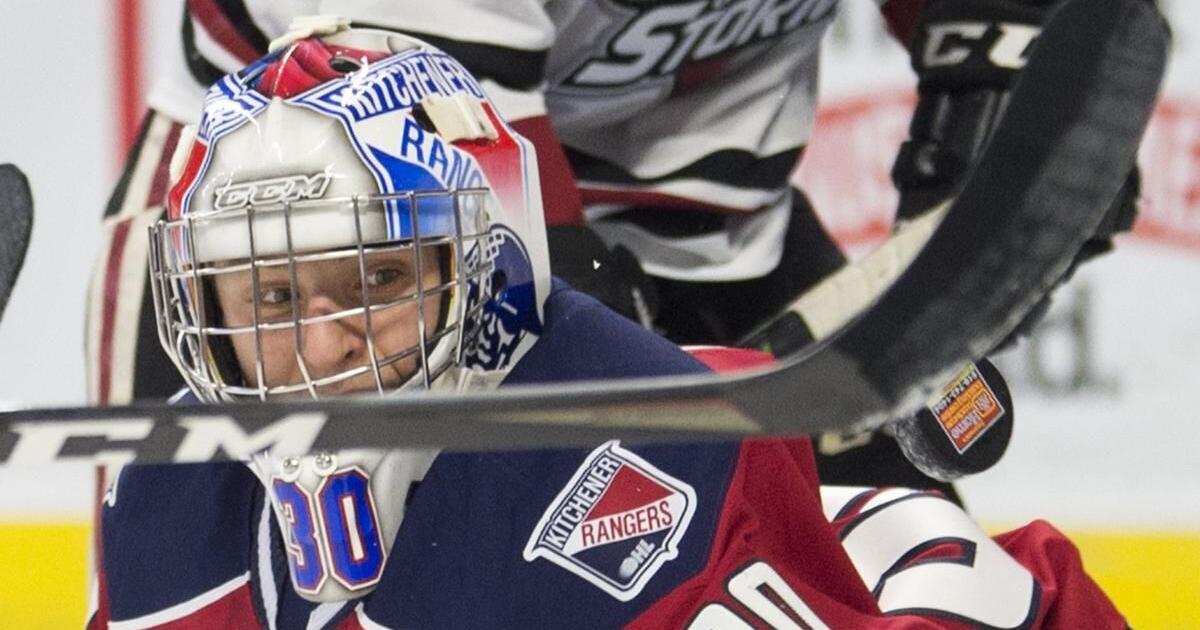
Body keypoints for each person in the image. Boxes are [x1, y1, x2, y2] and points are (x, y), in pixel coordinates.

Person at [87, 26, 1127, 629]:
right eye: (267, 296)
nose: (319, 351)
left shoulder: (658, 501)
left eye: (373, 280)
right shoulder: (163, 493)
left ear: (481, 266)